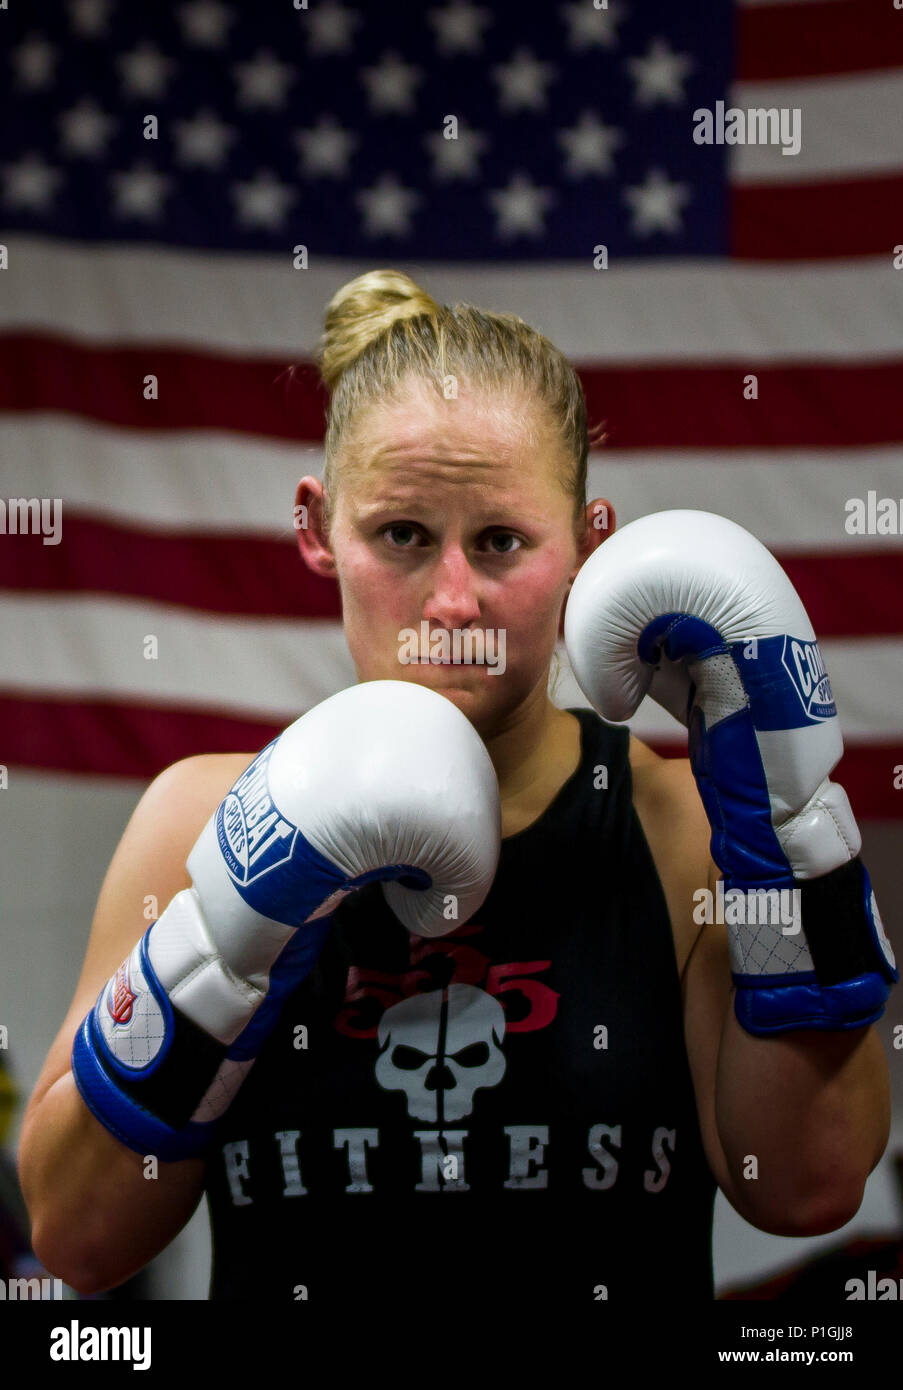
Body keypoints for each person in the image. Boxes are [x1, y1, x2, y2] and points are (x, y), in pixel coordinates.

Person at [17, 270, 894, 1310]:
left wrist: (784, 831)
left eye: (500, 541)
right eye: (402, 535)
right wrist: (213, 948)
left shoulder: (679, 833)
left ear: (591, 543)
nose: (451, 599)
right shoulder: (197, 822)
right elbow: (74, 1237)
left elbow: (810, 1186)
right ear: (315, 527)